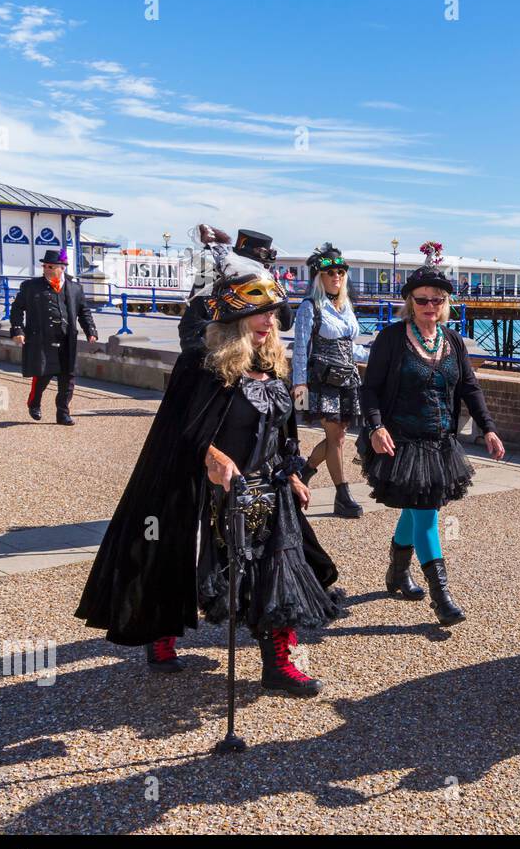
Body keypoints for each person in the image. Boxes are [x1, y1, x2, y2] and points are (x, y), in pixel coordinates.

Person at [76, 229, 340, 696]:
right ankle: (161, 633)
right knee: (173, 555)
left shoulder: (274, 362)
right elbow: (181, 428)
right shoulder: (204, 361)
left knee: (279, 563)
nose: (267, 321)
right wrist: (209, 455)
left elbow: (284, 430)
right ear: (234, 316)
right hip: (204, 489)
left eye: (272, 312)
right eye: (256, 312)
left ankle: (279, 662)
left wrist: (294, 472)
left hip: (264, 484)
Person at [359, 241, 505, 627]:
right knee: (427, 517)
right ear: (410, 301)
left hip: (440, 441)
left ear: (446, 304)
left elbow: (469, 388)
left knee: (417, 508)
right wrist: (376, 427)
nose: (429, 306)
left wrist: (488, 429)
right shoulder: (391, 339)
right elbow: (369, 388)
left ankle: (396, 572)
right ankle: (442, 598)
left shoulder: (453, 341)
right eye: (422, 300)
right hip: (400, 440)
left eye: (437, 300)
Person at [292, 243, 371, 518]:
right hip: (322, 380)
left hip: (348, 379)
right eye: (330, 273)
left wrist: (377, 353)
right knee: (336, 437)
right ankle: (342, 495)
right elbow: (300, 348)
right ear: (319, 277)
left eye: (340, 271)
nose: (336, 276)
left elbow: (351, 347)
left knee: (337, 435)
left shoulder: (345, 306)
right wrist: (299, 386)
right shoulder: (309, 307)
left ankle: (305, 470)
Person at [10, 248, 98, 425]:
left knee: (68, 378)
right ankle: (34, 403)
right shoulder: (30, 286)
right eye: (45, 266)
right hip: (41, 339)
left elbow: (84, 312)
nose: (47, 269)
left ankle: (63, 413)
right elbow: (17, 309)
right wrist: (18, 330)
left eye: (51, 266)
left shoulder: (75, 288)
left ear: (62, 267)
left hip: (67, 339)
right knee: (43, 375)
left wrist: (91, 331)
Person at [179, 227, 291, 354]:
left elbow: (287, 323)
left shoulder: (267, 282)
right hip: (220, 353)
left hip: (257, 359)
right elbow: (189, 325)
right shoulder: (208, 275)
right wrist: (201, 359)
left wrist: (276, 286)